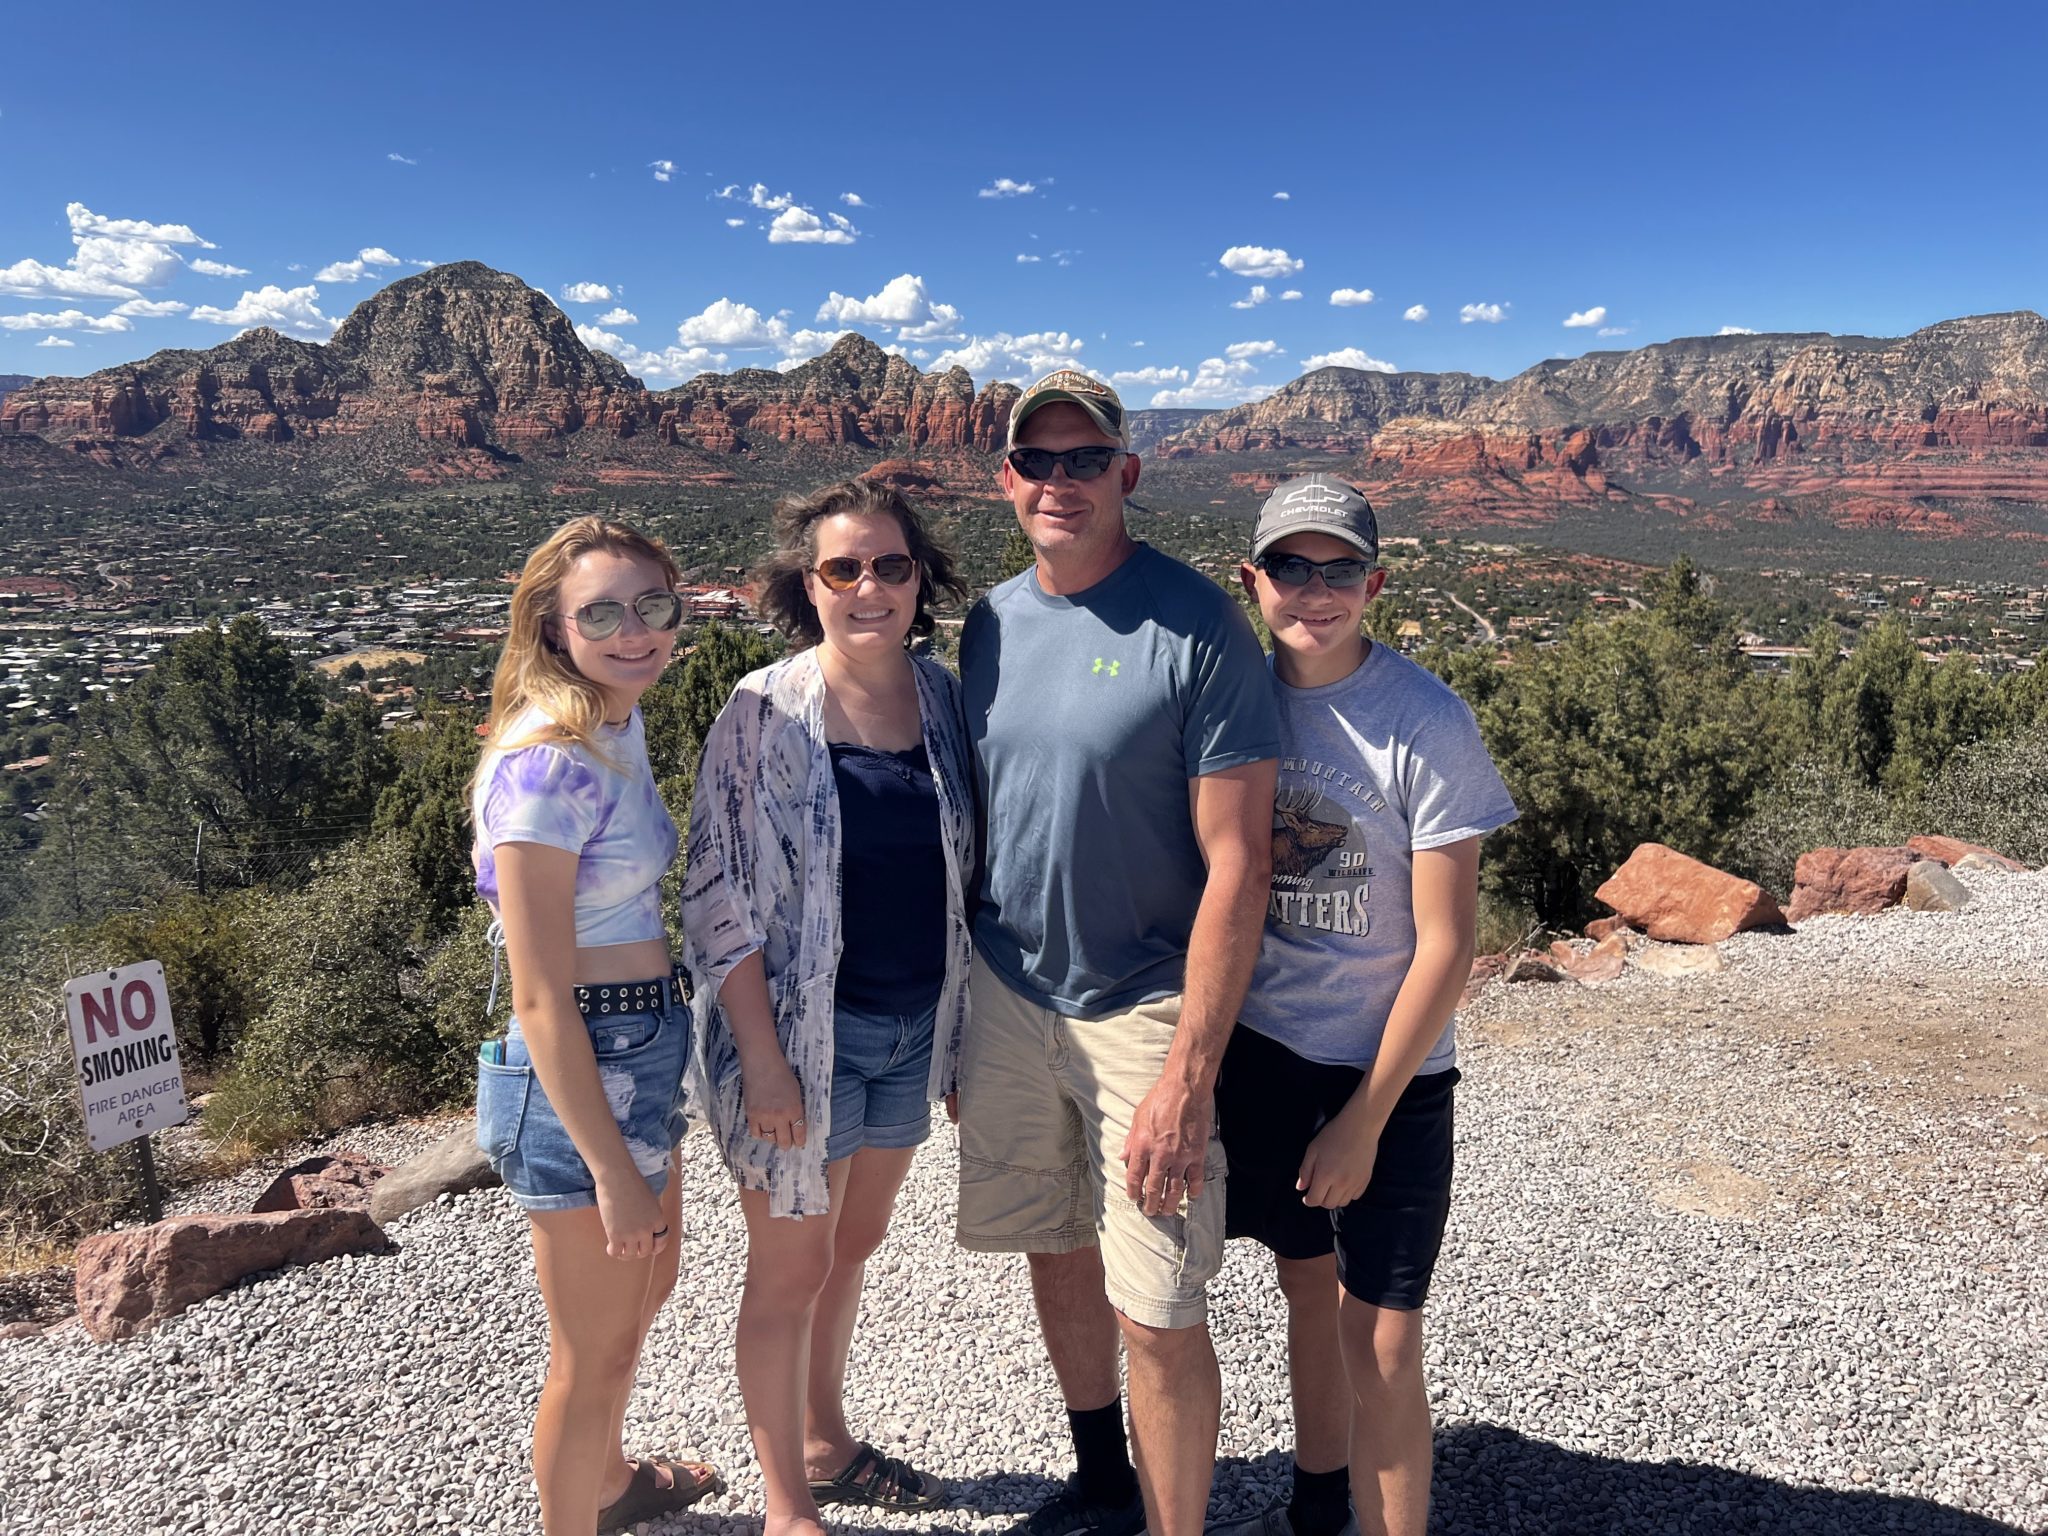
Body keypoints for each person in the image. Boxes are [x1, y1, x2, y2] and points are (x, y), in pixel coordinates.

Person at [955, 369, 1281, 1536]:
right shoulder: (988, 621)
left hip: (1143, 1003)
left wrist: (1189, 1075)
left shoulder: (1196, 625)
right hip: (1006, 989)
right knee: (1051, 1245)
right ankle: (1102, 1483)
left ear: (1125, 474)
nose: (1057, 481)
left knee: (1157, 1302)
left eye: (1082, 458)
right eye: (1034, 461)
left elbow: (1238, 863)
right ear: (1005, 480)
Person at [1212, 475, 1518, 1536]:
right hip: (1262, 1054)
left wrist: (1363, 1117)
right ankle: (1315, 1500)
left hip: (1385, 1074)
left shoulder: (1424, 721)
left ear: (1374, 582)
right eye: (1289, 567)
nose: (1314, 590)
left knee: (1382, 1335)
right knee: (1302, 1285)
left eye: (1338, 568)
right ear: (1250, 579)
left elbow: (1447, 942)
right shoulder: (1230, 699)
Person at [681, 481, 977, 1536]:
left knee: (852, 1244)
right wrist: (760, 1060)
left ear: (917, 581)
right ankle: (785, 1505)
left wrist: (957, 1049)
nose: (867, 587)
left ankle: (823, 1436)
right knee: (790, 1264)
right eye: (841, 569)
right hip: (798, 1042)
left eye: (889, 567)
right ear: (807, 586)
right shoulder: (761, 709)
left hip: (911, 1030)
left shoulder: (940, 700)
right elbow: (712, 895)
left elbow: (963, 877)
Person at [469, 514, 723, 1535]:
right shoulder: (545, 769)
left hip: (638, 1044)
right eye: (602, 613)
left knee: (641, 1300)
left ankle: (610, 1485)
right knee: (592, 1352)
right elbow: (538, 998)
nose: (635, 631)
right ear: (551, 626)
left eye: (652, 606)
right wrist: (612, 1169)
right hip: (578, 1059)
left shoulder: (614, 720)